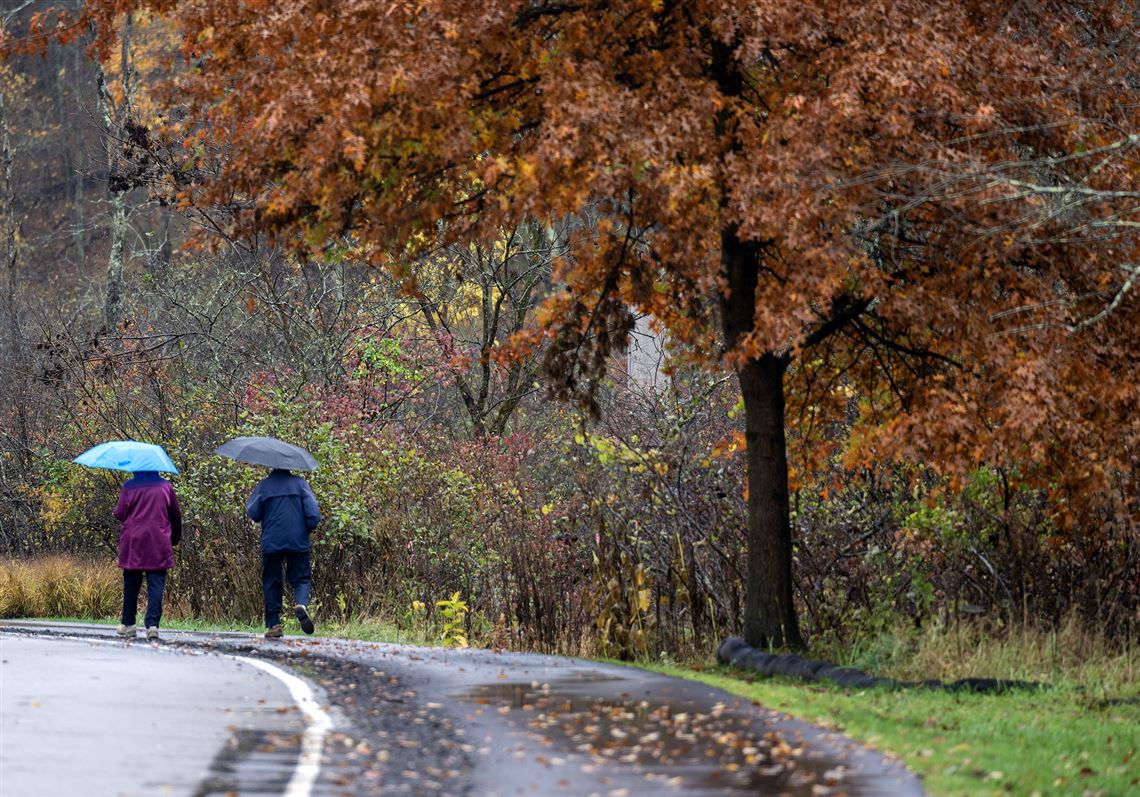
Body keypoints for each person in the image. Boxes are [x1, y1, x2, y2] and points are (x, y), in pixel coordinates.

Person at [246, 468, 322, 638]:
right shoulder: (300, 485)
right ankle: (301, 604)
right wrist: (304, 530)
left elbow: (253, 512)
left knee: (272, 581)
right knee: (301, 578)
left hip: (272, 541)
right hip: (298, 540)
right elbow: (314, 515)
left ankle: (274, 624)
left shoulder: (265, 486)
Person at [113, 470, 182, 641]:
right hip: (158, 541)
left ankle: (128, 624)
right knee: (156, 583)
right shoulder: (165, 487)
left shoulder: (129, 486)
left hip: (133, 541)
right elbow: (175, 515)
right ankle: (152, 626)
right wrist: (174, 539)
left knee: (131, 583)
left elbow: (119, 514)